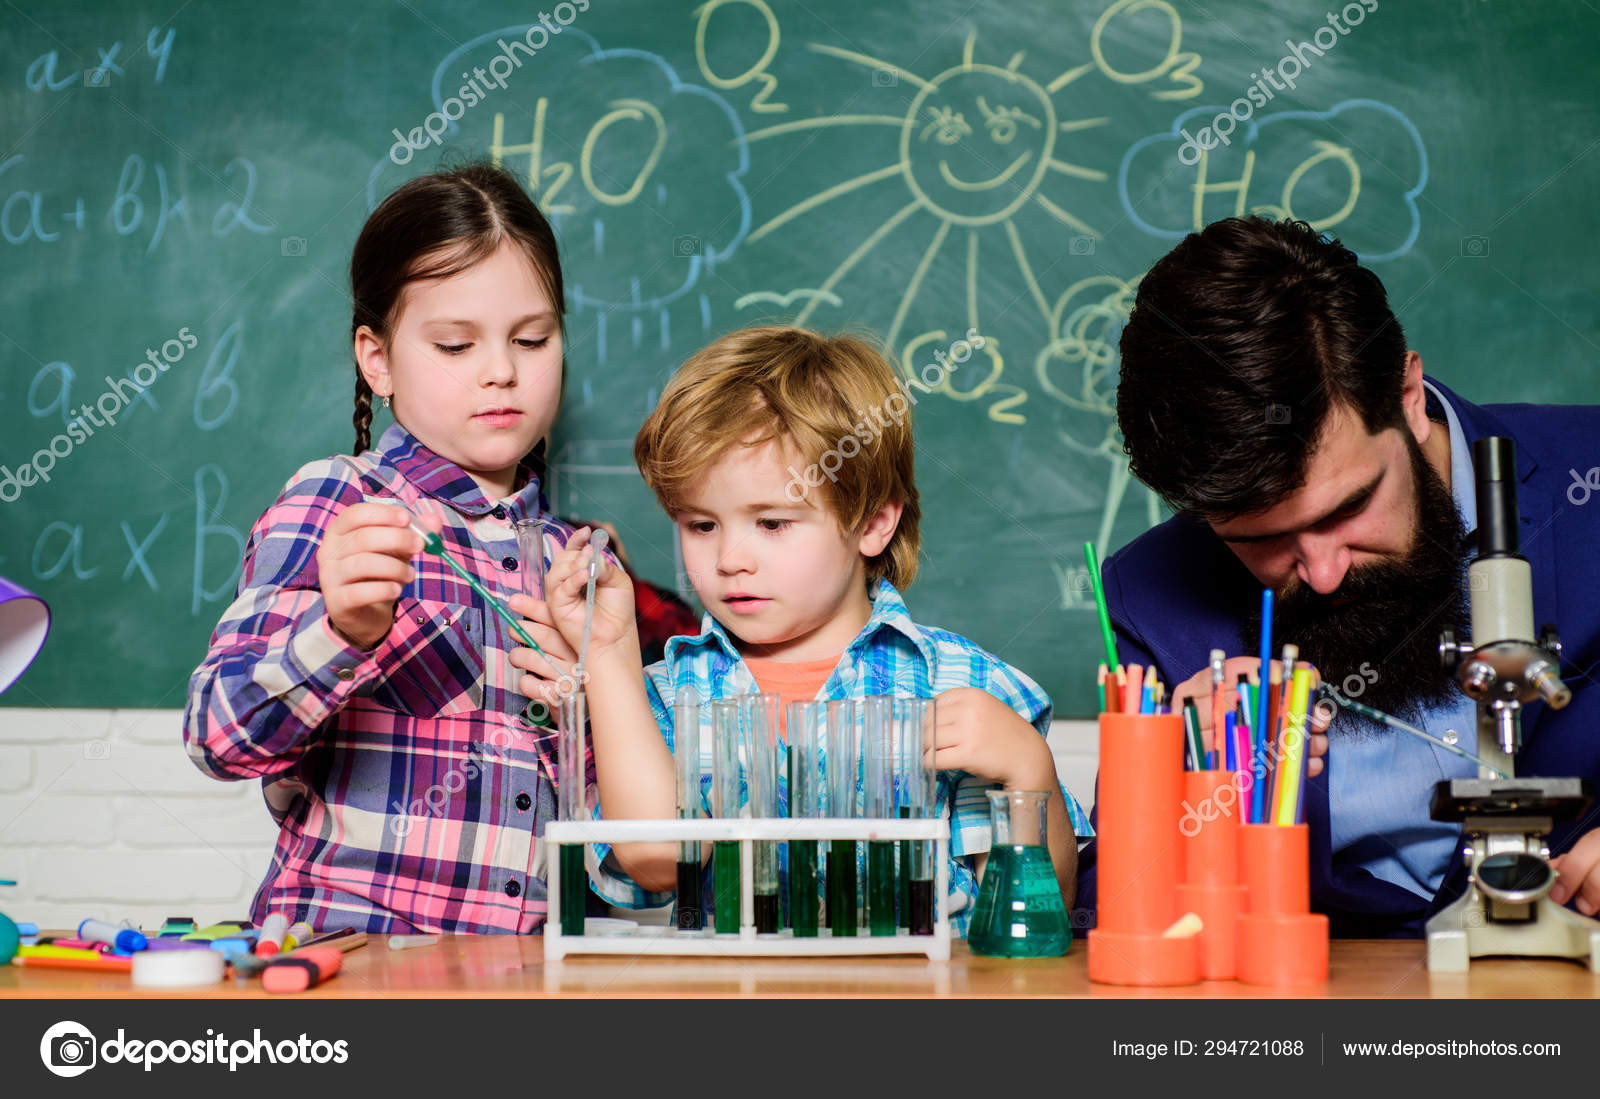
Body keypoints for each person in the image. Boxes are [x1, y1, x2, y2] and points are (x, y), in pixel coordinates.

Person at [1076, 216, 1600, 936]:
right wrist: (1178, 784)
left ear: (1408, 396)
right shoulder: (1151, 597)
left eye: (1349, 507)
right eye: (1261, 541)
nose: (1323, 575)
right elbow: (1110, 909)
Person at [509, 326, 1090, 931]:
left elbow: (1034, 922)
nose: (731, 559)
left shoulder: (961, 683)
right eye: (702, 525)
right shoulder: (660, 695)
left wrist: (1030, 771)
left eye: (773, 524)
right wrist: (607, 654)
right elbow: (656, 861)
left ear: (873, 523)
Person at [183, 163, 594, 933]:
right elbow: (218, 738)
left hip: (520, 973)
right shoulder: (340, 504)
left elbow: (618, 851)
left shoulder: (575, 562)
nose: (502, 371)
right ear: (377, 360)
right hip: (353, 957)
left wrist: (590, 706)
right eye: (455, 344)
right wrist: (341, 632)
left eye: (532, 338)